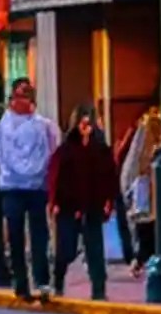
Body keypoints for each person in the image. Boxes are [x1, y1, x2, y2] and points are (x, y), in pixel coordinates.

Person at [0, 78, 61, 300]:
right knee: (15, 235)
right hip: (12, 188)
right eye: (17, 96)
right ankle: (20, 282)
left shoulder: (44, 126)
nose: (20, 101)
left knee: (39, 234)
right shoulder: (4, 127)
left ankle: (42, 280)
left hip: (36, 188)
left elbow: (52, 153)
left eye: (26, 96)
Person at [48, 105, 117, 300]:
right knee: (66, 249)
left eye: (89, 123)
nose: (86, 127)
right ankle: (58, 280)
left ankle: (99, 289)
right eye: (82, 122)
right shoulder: (66, 150)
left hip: (92, 206)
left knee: (95, 250)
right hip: (69, 208)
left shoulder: (101, 150)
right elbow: (56, 176)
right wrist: (55, 202)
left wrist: (108, 201)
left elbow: (109, 177)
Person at [121, 107, 161, 278]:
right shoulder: (149, 149)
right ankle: (139, 262)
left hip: (146, 205)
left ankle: (139, 261)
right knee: (148, 235)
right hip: (148, 203)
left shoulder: (143, 147)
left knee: (145, 236)